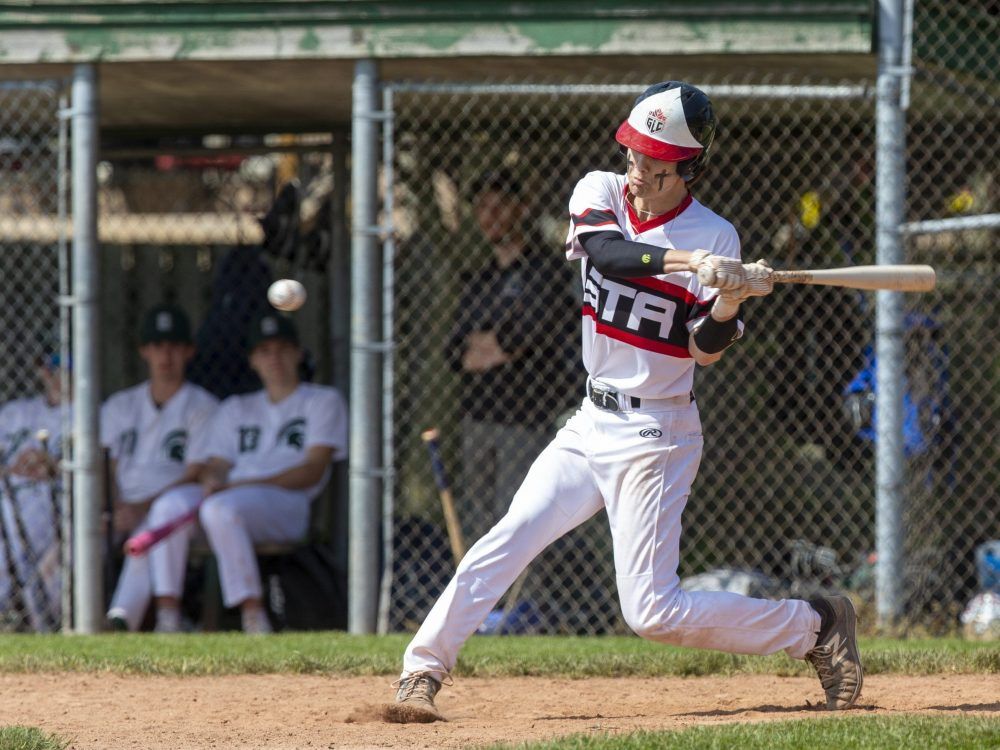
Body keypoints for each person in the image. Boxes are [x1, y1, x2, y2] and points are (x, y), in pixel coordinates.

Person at [387, 81, 863, 722]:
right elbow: (609, 257)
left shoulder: (717, 234)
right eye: (633, 154)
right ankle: (422, 671)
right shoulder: (601, 190)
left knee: (652, 614)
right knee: (511, 536)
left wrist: (728, 296)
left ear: (687, 168)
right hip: (589, 422)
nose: (636, 170)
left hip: (658, 434)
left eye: (652, 163)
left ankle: (816, 625)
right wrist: (687, 261)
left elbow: (704, 351)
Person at [147, 311, 348, 633]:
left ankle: (253, 616)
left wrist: (240, 486)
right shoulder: (236, 407)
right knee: (169, 505)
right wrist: (212, 478)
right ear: (252, 360)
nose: (275, 358)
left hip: (288, 504)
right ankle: (167, 617)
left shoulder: (322, 401)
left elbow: (312, 470)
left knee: (220, 509)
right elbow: (218, 464)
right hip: (233, 501)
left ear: (298, 353)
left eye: (283, 348)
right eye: (264, 351)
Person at [446, 169, 579, 538]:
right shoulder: (479, 278)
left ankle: (527, 598)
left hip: (527, 418)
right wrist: (498, 345)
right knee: (477, 526)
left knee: (520, 524)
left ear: (520, 209)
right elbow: (455, 351)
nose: (489, 217)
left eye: (498, 207)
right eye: (482, 208)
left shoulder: (545, 269)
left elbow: (529, 331)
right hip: (477, 417)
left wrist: (492, 342)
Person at [103, 303, 219, 632]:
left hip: (173, 507)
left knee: (151, 530)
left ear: (189, 352)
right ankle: (41, 620)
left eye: (174, 347)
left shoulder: (203, 406)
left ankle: (122, 619)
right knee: (69, 542)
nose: (165, 356)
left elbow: (195, 471)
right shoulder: (120, 405)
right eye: (157, 346)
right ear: (144, 351)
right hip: (120, 507)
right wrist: (114, 508)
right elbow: (106, 467)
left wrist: (139, 508)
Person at [0, 352, 70, 632]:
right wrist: (13, 469)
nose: (56, 373)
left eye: (66, 365)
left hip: (53, 501)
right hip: (9, 493)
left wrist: (52, 465)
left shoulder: (89, 415)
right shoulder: (15, 413)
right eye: (50, 365)